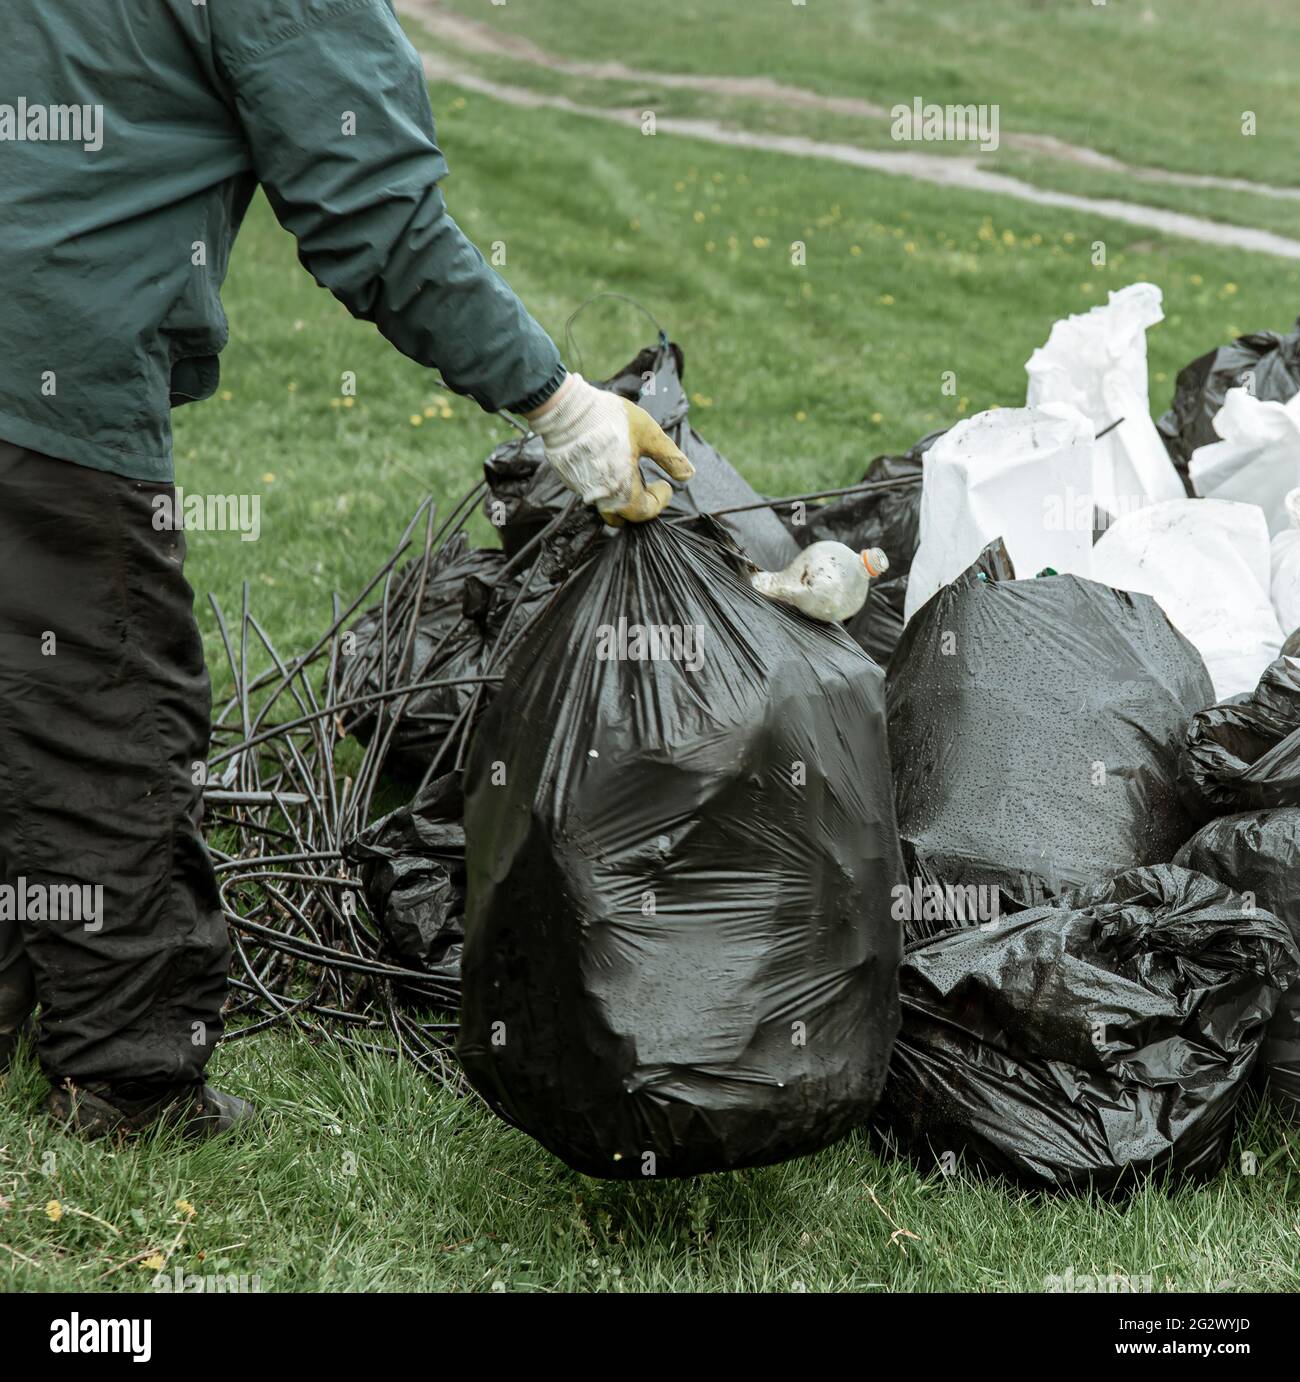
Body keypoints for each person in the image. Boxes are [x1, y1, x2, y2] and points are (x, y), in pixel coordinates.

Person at [0, 0, 693, 1138]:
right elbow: (374, 216)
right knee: (103, 711)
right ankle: (131, 1080)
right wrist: (562, 407)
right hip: (41, 367)